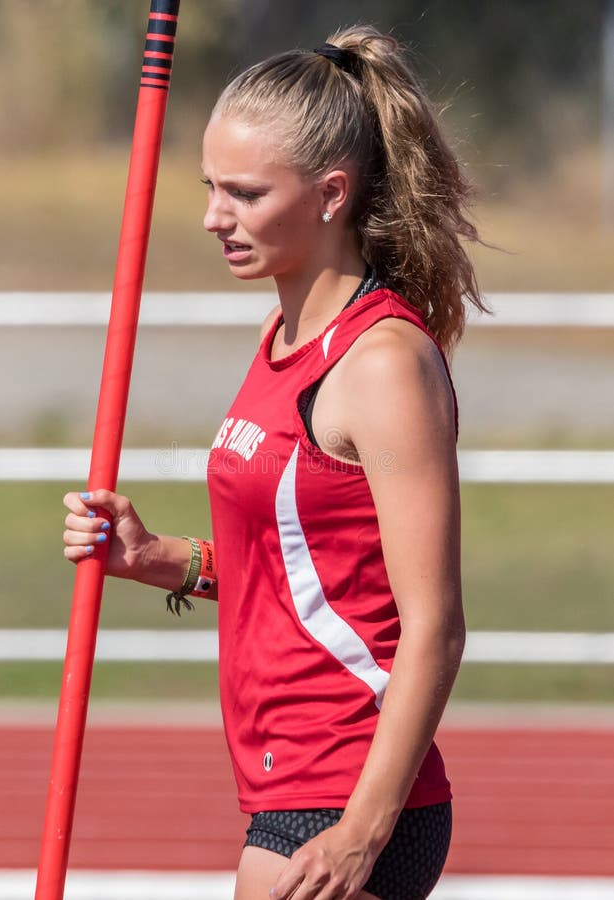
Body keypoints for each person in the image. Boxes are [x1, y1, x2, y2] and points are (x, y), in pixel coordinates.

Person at [63, 24, 486, 900]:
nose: (213, 217)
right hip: (283, 779)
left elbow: (433, 626)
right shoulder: (281, 335)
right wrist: (157, 558)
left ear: (331, 193)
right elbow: (304, 572)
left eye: (245, 193)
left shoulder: (381, 364)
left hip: (344, 791)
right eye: (209, 187)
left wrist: (359, 836)